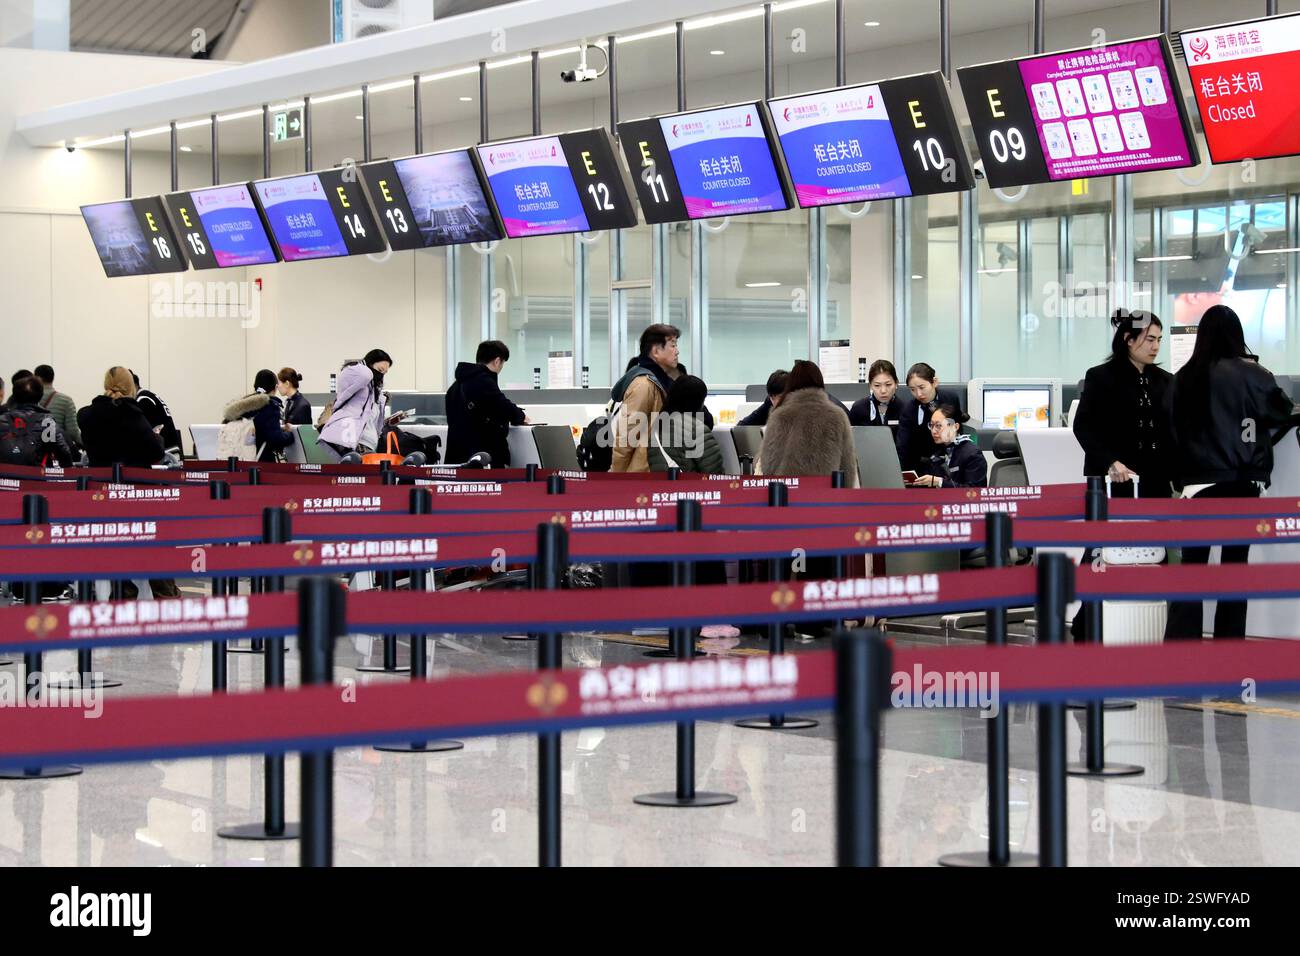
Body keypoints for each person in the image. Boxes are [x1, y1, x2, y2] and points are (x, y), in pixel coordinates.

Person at [1164, 305, 1297, 640]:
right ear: (1237, 335)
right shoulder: (1253, 374)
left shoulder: (1184, 377)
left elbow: (1171, 432)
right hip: (1241, 484)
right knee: (1234, 569)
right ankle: (1229, 651)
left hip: (1197, 487)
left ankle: (1181, 652)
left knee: (1191, 572)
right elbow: (1281, 411)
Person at [1072, 310, 1172, 498]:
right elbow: (1083, 427)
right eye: (1150, 339)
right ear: (1129, 339)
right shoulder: (1101, 377)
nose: (1156, 346)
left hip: (1156, 480)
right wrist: (1110, 462)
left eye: (1159, 340)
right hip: (1114, 479)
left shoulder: (1166, 381)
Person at [756, 360, 858, 484]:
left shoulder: (779, 415)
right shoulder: (838, 416)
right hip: (826, 496)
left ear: (791, 384)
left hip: (787, 495)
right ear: (820, 382)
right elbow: (848, 468)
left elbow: (768, 466)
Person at [445, 340, 529, 466]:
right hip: (481, 459)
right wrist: (521, 416)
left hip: (456, 456)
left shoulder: (454, 387)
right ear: (497, 361)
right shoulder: (483, 381)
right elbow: (501, 404)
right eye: (502, 364)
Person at [610, 324, 680, 473]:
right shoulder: (644, 384)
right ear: (655, 351)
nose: (677, 351)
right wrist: (616, 475)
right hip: (642, 473)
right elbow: (627, 435)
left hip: (656, 468)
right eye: (672, 345)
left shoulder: (662, 382)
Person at [77, 367, 166, 468]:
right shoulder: (133, 415)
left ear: (106, 385)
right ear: (130, 386)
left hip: (98, 480)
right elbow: (156, 454)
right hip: (133, 480)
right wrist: (158, 438)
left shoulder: (85, 416)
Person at [319, 349, 392, 459]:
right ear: (369, 363)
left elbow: (370, 419)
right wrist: (364, 365)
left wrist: (382, 401)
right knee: (362, 475)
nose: (381, 375)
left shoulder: (372, 392)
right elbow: (365, 375)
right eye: (380, 370)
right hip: (356, 441)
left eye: (384, 373)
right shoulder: (356, 375)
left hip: (369, 444)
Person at [897, 362, 966, 470]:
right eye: (912, 389)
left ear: (934, 382)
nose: (918, 394)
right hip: (920, 464)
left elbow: (958, 432)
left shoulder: (950, 398)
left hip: (949, 461)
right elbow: (903, 446)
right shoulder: (908, 410)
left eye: (922, 387)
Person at [648, 375, 724, 474]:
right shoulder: (696, 428)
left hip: (662, 488)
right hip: (692, 488)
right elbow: (713, 471)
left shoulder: (658, 426)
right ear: (698, 401)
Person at [0, 375, 74, 467]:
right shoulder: (46, 422)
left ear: (14, 396)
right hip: (35, 477)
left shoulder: (2, 419)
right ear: (40, 396)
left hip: (5, 477)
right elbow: (62, 452)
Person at [222, 370, 295, 463]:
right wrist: (289, 435)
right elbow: (275, 438)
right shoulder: (270, 406)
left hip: (239, 458)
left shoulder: (243, 406)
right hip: (261, 460)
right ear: (275, 388)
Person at [911, 405, 986, 488]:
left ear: (955, 427)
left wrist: (939, 482)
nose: (933, 431)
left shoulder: (972, 454)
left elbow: (974, 492)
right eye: (931, 425)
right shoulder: (938, 453)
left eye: (938, 426)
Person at [849, 360, 907, 438]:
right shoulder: (859, 408)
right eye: (877, 385)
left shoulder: (905, 409)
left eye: (888, 384)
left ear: (896, 383)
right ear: (870, 386)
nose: (883, 391)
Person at [130, 372, 182, 453]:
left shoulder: (142, 399)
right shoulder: (149, 396)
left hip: (166, 453)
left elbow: (140, 431)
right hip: (171, 449)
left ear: (133, 385)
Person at [32, 365, 81, 450]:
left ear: (36, 379)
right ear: (53, 378)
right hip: (57, 450)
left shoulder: (28, 399)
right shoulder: (66, 400)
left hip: (34, 449)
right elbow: (72, 432)